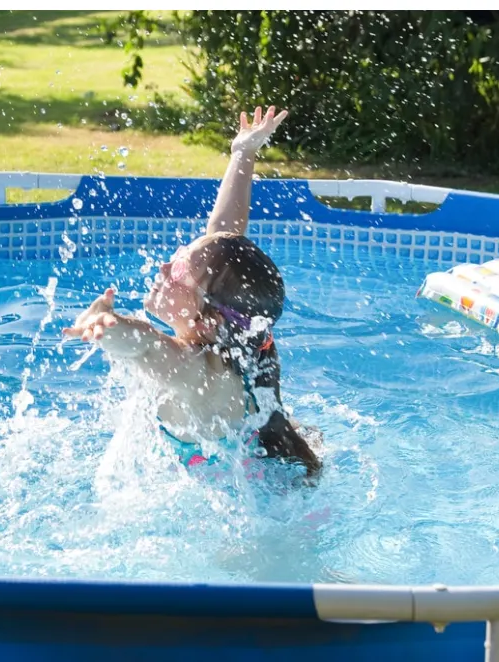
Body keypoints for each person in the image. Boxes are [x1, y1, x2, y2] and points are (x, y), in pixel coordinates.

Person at [62, 105, 322, 481]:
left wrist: (108, 324)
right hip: (254, 463)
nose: (166, 267)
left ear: (209, 319)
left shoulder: (196, 372)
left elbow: (144, 345)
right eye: (179, 255)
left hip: (232, 512)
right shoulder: (240, 337)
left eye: (181, 270)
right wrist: (242, 153)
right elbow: (223, 236)